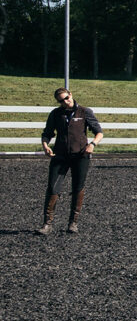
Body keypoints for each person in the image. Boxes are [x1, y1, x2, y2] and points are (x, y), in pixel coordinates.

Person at [37, 87, 104, 235]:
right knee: (53, 187)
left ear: (70, 94)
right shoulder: (55, 114)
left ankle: (73, 222)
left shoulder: (85, 112)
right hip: (60, 155)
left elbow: (99, 131)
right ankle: (47, 223)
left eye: (66, 98)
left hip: (80, 155)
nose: (65, 102)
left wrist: (92, 144)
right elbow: (47, 133)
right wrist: (45, 146)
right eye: (61, 100)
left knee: (77, 188)